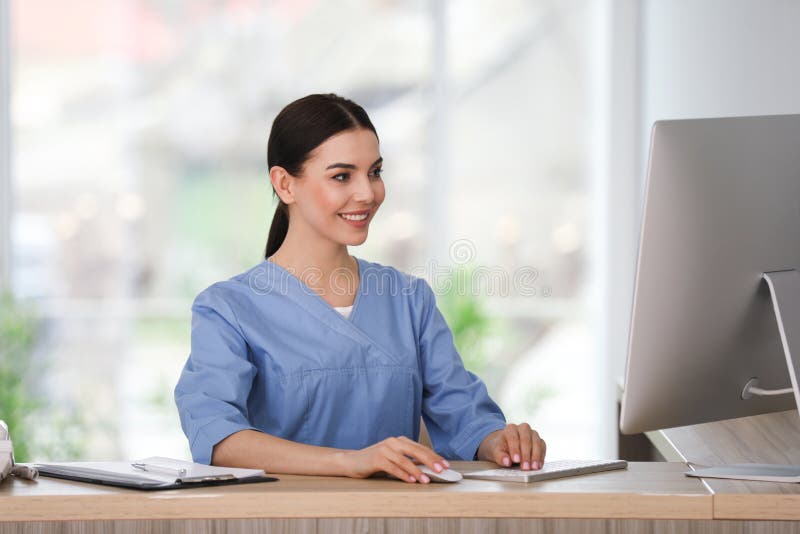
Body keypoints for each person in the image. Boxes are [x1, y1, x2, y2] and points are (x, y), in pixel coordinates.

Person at [174, 93, 546, 484]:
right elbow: (219, 438)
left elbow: (464, 415)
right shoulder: (229, 309)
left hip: (393, 521)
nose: (367, 193)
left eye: (374, 172)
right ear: (285, 184)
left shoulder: (408, 300)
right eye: (341, 176)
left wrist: (500, 442)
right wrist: (349, 462)